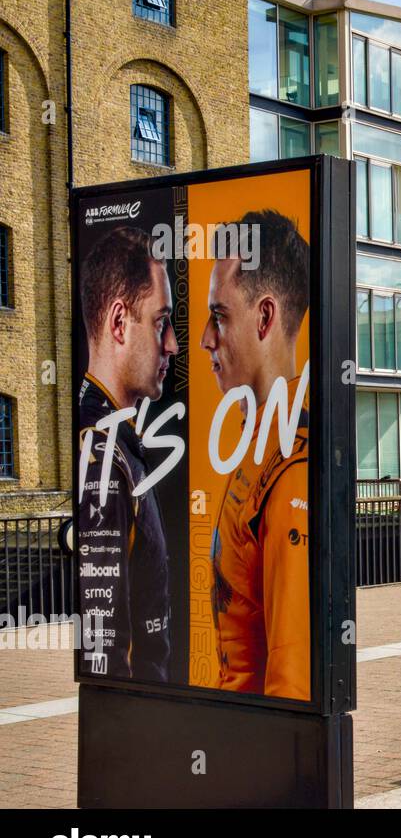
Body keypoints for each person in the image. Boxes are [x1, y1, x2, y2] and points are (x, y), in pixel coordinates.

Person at [202, 210, 314, 698]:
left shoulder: (290, 468)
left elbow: (292, 678)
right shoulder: (262, 436)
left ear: (265, 317)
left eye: (220, 316)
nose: (207, 337)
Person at [76, 224, 178, 682]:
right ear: (119, 322)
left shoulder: (116, 445)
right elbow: (107, 647)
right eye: (161, 323)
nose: (173, 344)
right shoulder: (104, 461)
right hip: (135, 722)